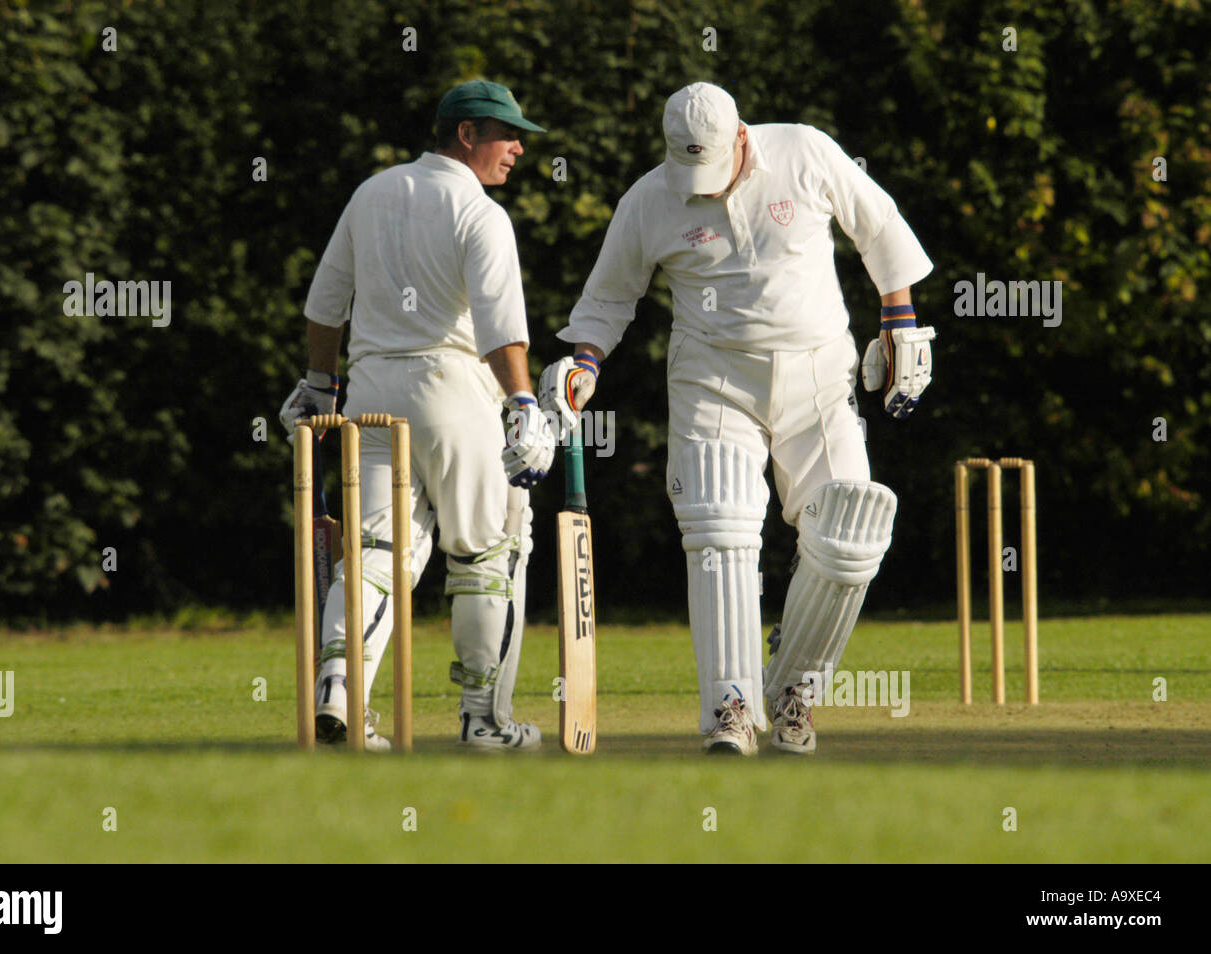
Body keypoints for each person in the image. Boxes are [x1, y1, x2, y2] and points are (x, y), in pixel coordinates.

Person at [540, 82, 935, 755]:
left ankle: (793, 692)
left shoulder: (803, 151)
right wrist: (584, 364)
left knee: (853, 533)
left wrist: (900, 321)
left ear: (742, 138)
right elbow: (608, 299)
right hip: (713, 378)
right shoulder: (650, 199)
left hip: (818, 374)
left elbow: (881, 227)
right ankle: (730, 707)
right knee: (719, 528)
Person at [280, 80, 555, 751]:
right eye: (505, 134)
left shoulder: (372, 193)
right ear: (465, 134)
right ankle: (483, 721)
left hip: (372, 399)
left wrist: (321, 386)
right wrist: (522, 404)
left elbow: (324, 307)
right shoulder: (482, 214)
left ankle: (339, 693)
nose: (517, 148)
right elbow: (500, 335)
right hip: (456, 394)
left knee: (375, 555)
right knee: (485, 554)